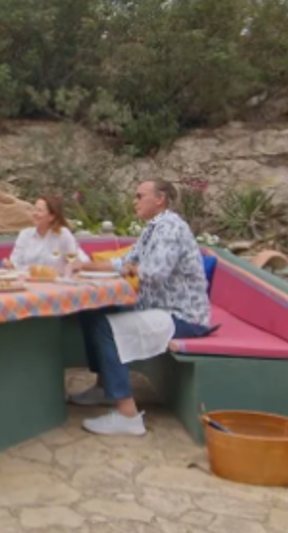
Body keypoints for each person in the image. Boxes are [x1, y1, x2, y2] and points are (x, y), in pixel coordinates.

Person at [68, 179, 211, 436]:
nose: (134, 201)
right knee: (93, 311)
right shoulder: (152, 229)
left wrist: (127, 269)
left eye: (139, 196)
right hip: (157, 308)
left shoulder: (170, 228)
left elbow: (155, 272)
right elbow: (127, 261)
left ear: (160, 199)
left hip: (181, 316)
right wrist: (87, 266)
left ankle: (128, 415)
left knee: (107, 326)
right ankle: (104, 386)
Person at [5, 195, 91, 270]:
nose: (35, 213)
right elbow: (15, 263)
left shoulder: (63, 234)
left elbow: (77, 261)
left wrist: (74, 265)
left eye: (39, 211)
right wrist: (9, 265)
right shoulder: (25, 234)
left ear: (51, 217)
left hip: (56, 284)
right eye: (34, 209)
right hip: (28, 282)